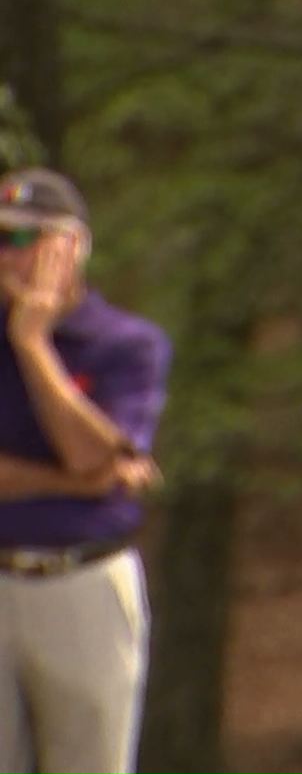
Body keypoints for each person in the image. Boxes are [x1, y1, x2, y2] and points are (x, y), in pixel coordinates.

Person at [0, 167, 170, 774]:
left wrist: (32, 344)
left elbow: (90, 454)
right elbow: (95, 467)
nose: (7, 256)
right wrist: (80, 482)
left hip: (84, 582)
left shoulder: (127, 344)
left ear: (73, 247)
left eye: (24, 238)